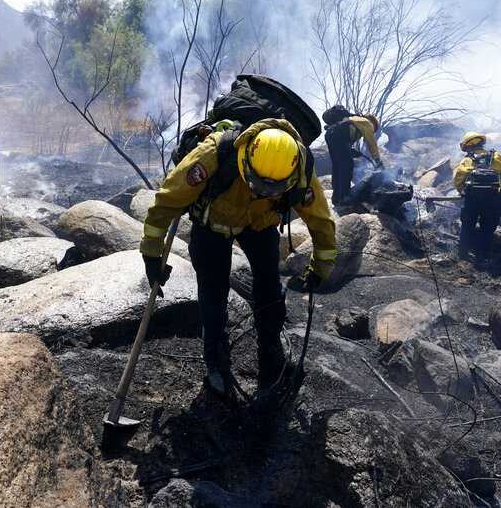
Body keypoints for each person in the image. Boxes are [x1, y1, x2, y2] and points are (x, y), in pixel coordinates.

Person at [140, 118, 337, 396]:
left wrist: (321, 266)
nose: (261, 191)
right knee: (213, 292)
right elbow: (167, 201)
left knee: (269, 287)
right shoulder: (215, 153)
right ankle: (216, 361)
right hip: (212, 225)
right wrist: (151, 252)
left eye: (272, 190)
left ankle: (270, 350)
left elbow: (320, 220)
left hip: (260, 224)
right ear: (245, 159)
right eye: (256, 183)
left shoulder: (300, 165)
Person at [453, 132, 501, 263]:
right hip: (492, 199)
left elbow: (458, 180)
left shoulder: (467, 160)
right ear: (482, 143)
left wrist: (462, 191)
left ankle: (463, 254)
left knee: (467, 225)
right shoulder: (496, 156)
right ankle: (483, 256)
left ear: (467, 147)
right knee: (488, 228)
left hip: (472, 199)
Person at [321, 105, 383, 207]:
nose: (372, 131)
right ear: (373, 123)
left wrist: (351, 151)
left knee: (337, 166)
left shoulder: (353, 119)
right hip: (338, 135)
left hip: (330, 134)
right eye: (373, 130)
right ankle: (345, 197)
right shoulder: (367, 123)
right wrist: (378, 161)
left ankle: (336, 198)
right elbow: (371, 144)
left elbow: (345, 138)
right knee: (347, 165)